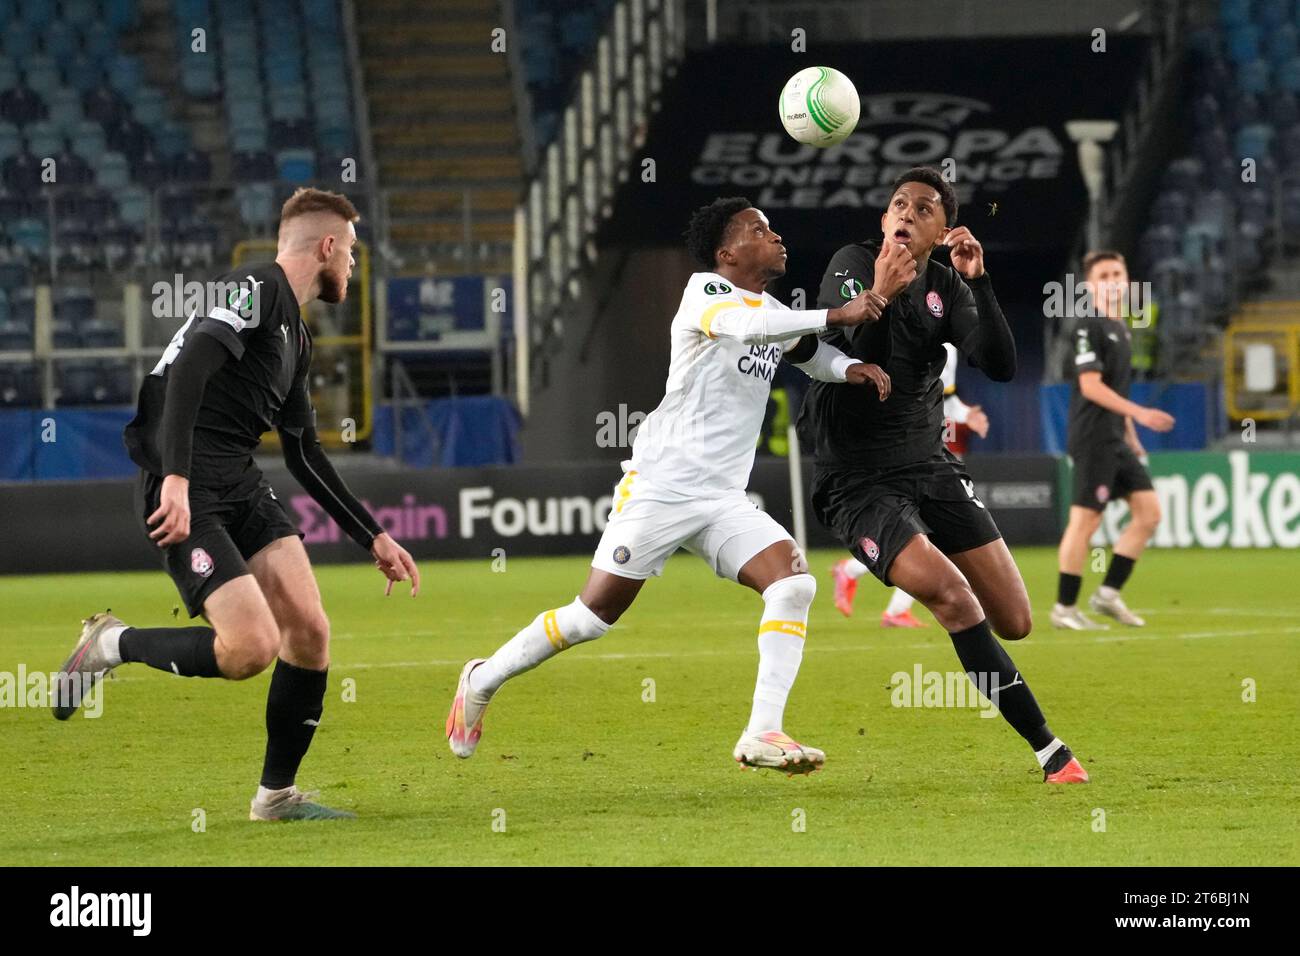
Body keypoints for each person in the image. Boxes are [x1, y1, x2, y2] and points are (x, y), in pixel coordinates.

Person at [447, 197, 889, 774]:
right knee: (592, 617)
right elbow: (760, 326)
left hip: (724, 497)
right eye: (760, 229)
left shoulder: (771, 310)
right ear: (727, 253)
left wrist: (847, 368)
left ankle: (763, 732)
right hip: (662, 485)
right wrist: (840, 314)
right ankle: (483, 678)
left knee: (792, 585)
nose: (776, 236)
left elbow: (804, 352)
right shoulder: (706, 294)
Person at [51, 188, 420, 821]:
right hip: (185, 484)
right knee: (249, 649)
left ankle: (275, 797)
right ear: (327, 245)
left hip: (239, 482)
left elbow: (305, 454)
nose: (354, 266)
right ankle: (113, 643)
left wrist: (374, 538)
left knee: (309, 631)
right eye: (353, 251)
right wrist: (173, 477)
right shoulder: (256, 285)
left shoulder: (295, 340)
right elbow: (192, 363)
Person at [799, 166, 1088, 784]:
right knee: (954, 598)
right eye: (898, 203)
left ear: (942, 231)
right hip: (857, 480)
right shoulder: (851, 264)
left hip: (929, 466)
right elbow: (853, 359)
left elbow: (1001, 366)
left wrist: (978, 284)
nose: (907, 212)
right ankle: (1050, 751)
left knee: (1016, 620)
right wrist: (877, 293)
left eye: (924, 208)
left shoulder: (946, 287)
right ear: (884, 220)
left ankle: (919, 583)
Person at [1052, 250, 1174, 629]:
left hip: (1116, 438)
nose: (1112, 281)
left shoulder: (1120, 326)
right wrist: (1139, 414)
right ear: (1090, 285)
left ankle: (1107, 596)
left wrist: (1131, 433)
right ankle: (1065, 608)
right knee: (1085, 521)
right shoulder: (1086, 325)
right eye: (1103, 275)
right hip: (1092, 438)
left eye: (1117, 274)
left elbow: (1115, 387)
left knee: (1149, 512)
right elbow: (1090, 387)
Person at [831, 342, 989, 627]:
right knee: (924, 537)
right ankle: (862, 580)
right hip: (893, 453)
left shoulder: (949, 351)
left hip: (929, 452)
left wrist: (968, 417)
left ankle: (873, 590)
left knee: (930, 538)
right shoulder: (893, 334)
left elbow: (947, 401)